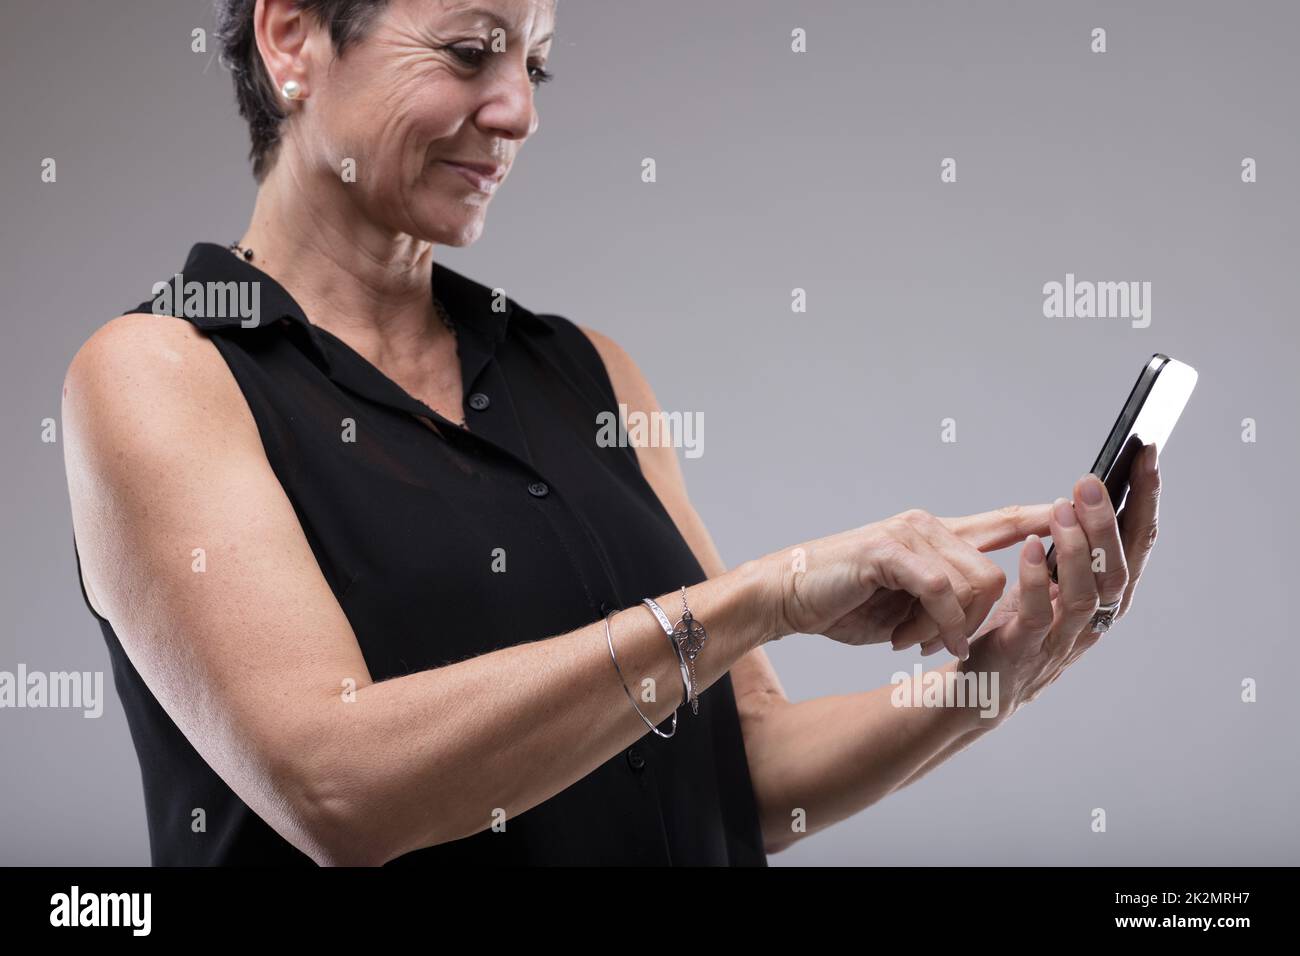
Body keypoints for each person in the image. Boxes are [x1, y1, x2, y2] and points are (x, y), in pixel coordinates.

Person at [60, 0, 1162, 866]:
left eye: (531, 67)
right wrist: (762, 596)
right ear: (291, 36)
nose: (517, 112)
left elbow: (753, 770)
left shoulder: (585, 371)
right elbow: (338, 785)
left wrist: (992, 679)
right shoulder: (163, 372)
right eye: (467, 53)